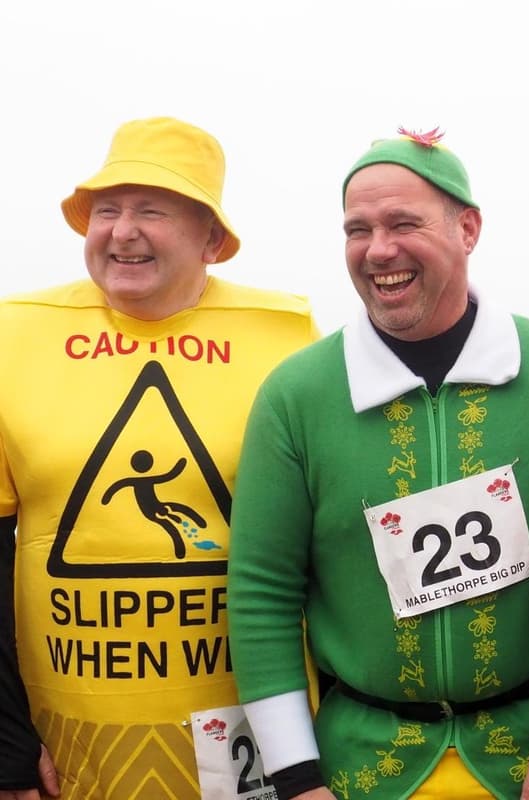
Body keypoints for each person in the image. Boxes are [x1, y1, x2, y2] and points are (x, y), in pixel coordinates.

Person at [227, 129, 529, 800]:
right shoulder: (295, 395)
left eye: (404, 223)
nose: (379, 249)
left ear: (468, 229)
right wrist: (295, 780)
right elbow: (262, 593)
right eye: (358, 229)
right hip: (361, 771)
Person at [0, 116, 318, 799]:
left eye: (152, 211)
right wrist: (7, 746)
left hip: (251, 738)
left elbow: (329, 547)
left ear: (211, 238)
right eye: (106, 210)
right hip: (72, 746)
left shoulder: (289, 339)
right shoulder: (15, 334)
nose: (122, 231)